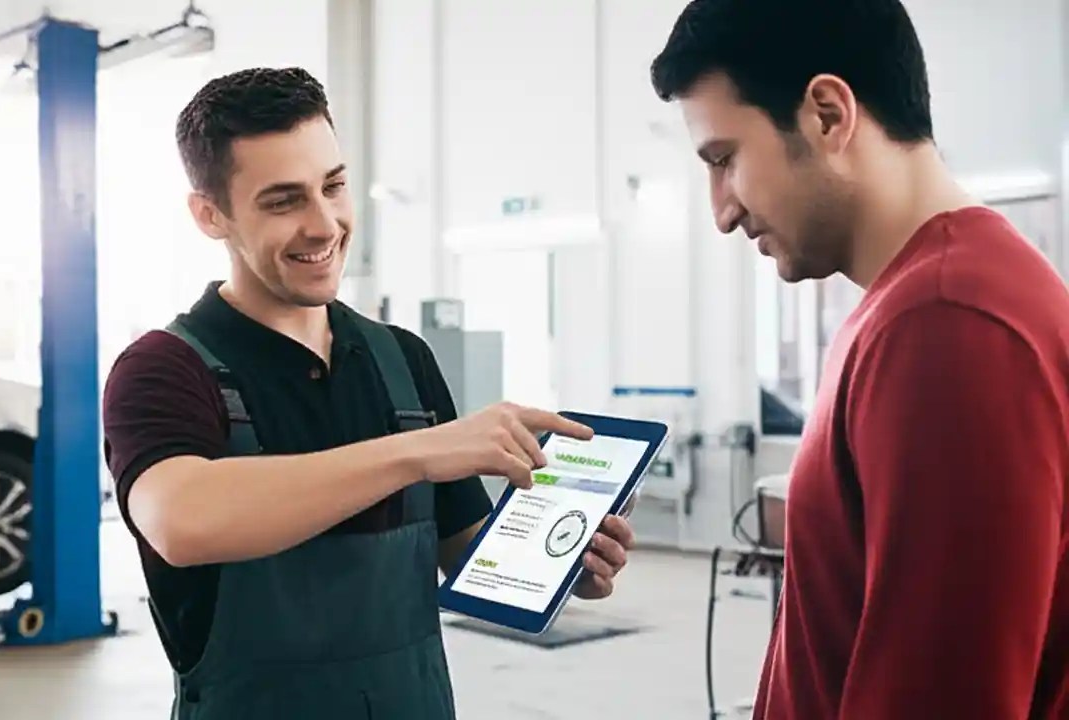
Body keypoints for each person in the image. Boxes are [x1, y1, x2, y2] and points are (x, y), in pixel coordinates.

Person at [101, 67, 636, 719]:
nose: (325, 225)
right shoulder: (163, 368)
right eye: (283, 200)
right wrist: (416, 453)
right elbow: (182, 521)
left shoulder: (402, 360)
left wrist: (562, 561)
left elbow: (467, 557)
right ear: (210, 215)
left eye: (334, 187)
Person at [652, 1, 1069, 718]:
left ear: (826, 114)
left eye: (725, 160)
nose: (720, 210)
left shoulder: (948, 324)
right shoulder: (914, 302)